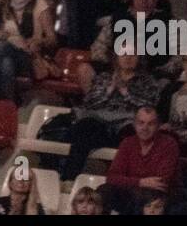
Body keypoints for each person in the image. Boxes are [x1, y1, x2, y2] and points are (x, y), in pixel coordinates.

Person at [61, 49, 161, 181]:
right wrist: (109, 90)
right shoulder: (104, 78)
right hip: (101, 123)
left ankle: (125, 182)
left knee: (135, 134)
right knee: (84, 128)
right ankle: (69, 179)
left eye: (133, 54)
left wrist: (125, 93)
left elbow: (150, 107)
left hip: (127, 124)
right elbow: (89, 102)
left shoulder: (147, 81)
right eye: (124, 54)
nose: (128, 57)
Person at [105, 106, 180, 211]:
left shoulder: (169, 144)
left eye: (150, 124)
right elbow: (112, 177)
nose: (145, 128)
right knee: (104, 191)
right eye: (141, 123)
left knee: (145, 197)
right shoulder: (127, 143)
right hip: (130, 192)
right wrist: (140, 182)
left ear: (158, 126)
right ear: (134, 124)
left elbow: (160, 183)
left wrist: (127, 181)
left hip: (158, 197)